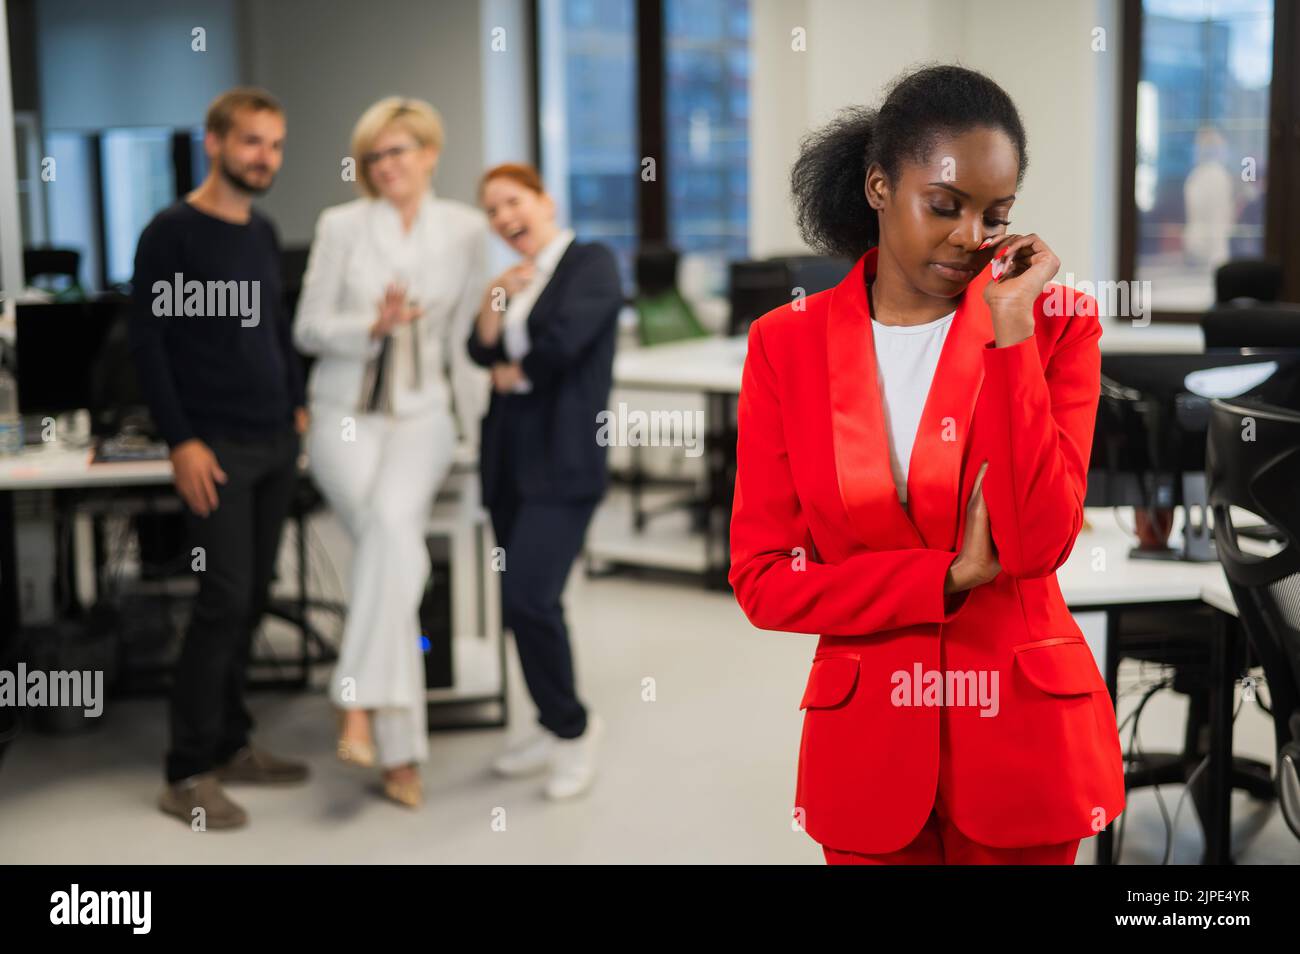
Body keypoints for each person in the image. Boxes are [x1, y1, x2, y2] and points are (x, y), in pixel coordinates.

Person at [729, 64, 1125, 864]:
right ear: (880, 186)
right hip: (866, 749)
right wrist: (942, 577)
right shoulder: (786, 344)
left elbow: (1039, 543)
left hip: (1022, 741)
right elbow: (764, 578)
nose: (971, 237)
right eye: (944, 206)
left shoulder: (1054, 326)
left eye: (995, 214)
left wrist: (1010, 336)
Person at [294, 97, 489, 809]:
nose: (384, 167)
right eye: (373, 156)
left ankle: (357, 700)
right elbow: (308, 328)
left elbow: (465, 342)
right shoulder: (340, 226)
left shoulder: (465, 230)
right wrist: (366, 327)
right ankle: (396, 752)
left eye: (397, 152)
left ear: (430, 154)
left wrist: (477, 430)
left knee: (389, 530)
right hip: (346, 413)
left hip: (423, 415)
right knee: (393, 539)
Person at [129, 87, 309, 830]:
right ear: (215, 143)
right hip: (217, 446)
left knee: (254, 598)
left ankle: (233, 743)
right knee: (223, 602)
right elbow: (150, 346)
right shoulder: (171, 233)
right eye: (251, 143)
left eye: (274, 144)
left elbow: (274, 327)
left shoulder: (262, 232)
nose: (264, 157)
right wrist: (182, 441)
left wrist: (296, 400)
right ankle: (187, 770)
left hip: (274, 439)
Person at [466, 163, 622, 799]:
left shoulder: (590, 262)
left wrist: (512, 370)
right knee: (518, 606)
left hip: (563, 460)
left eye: (512, 202)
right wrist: (491, 301)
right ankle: (547, 718)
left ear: (544, 200)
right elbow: (476, 350)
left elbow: (565, 343)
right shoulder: (516, 279)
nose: (504, 219)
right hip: (508, 459)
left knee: (531, 599)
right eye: (492, 211)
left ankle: (575, 728)